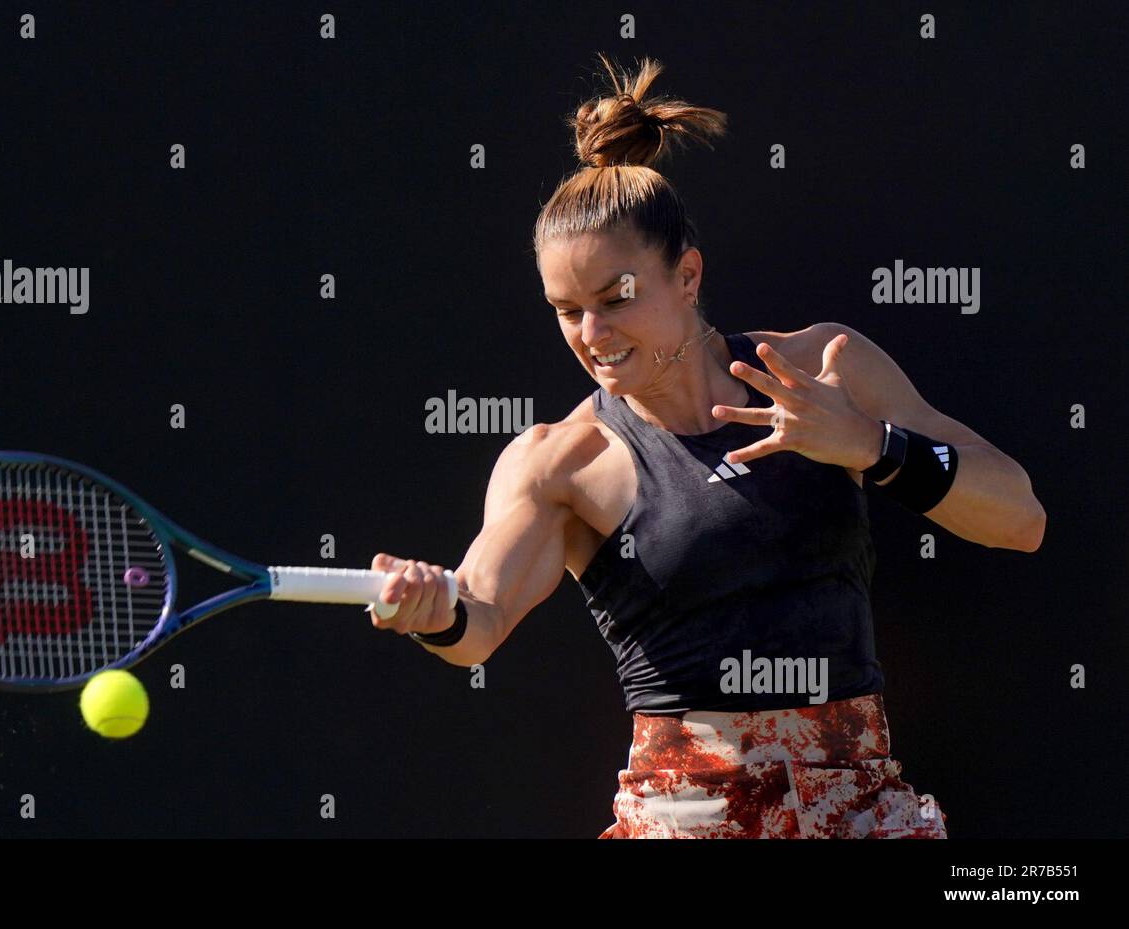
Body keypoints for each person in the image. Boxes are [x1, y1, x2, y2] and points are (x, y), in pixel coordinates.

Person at [365, 54, 1046, 838]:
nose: (592, 335)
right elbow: (476, 615)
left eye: (616, 298)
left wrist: (866, 443)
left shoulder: (825, 367)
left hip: (864, 815)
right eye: (566, 310)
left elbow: (1019, 516)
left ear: (687, 275)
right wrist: (431, 607)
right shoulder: (560, 460)